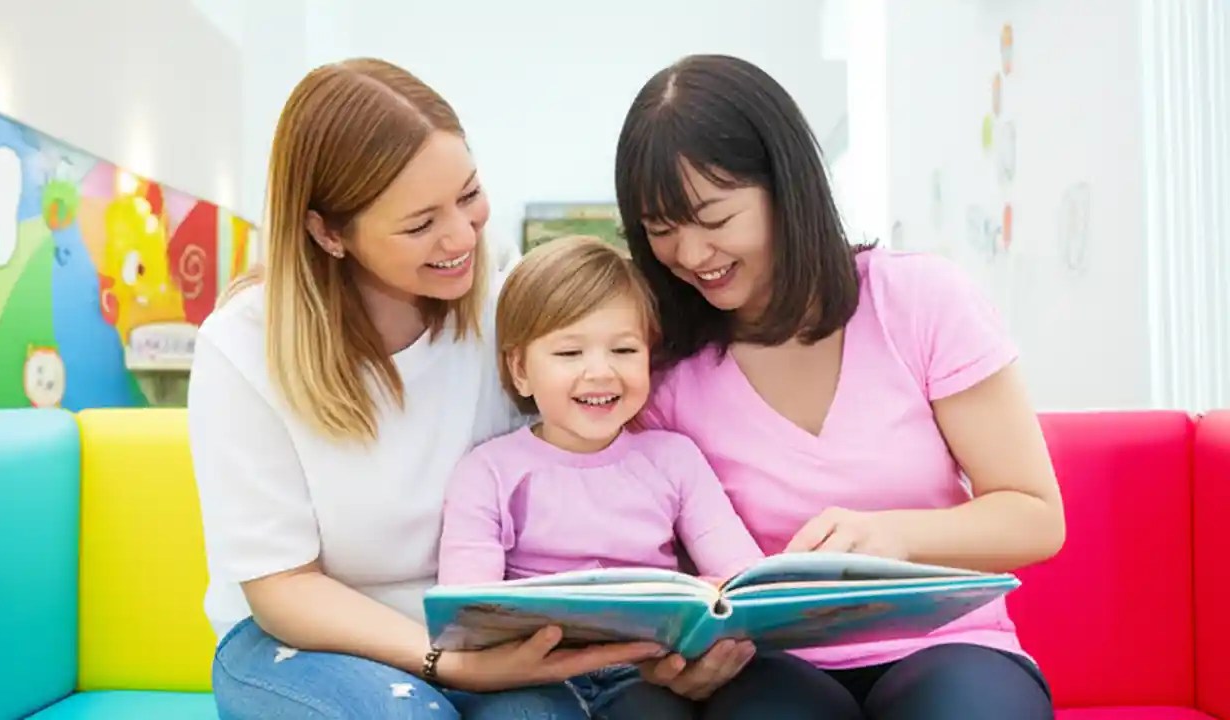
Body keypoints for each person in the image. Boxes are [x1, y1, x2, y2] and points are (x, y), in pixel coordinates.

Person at [185, 58, 664, 720]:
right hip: (296, 640)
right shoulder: (243, 349)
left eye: (469, 195)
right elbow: (283, 588)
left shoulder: (504, 311)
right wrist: (449, 662)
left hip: (479, 633)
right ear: (328, 232)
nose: (462, 236)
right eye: (419, 224)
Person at [611, 54, 1065, 719]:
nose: (690, 254)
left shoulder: (917, 299)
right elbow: (656, 562)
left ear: (783, 186)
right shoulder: (661, 366)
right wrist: (678, 648)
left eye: (713, 219)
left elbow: (1034, 515)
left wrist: (896, 537)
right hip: (766, 663)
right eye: (660, 231)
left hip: (948, 645)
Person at [436, 235, 765, 719]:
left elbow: (740, 578)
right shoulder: (488, 471)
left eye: (624, 350)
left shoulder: (673, 458)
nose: (600, 372)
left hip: (643, 671)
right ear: (520, 370)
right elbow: (466, 614)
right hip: (526, 675)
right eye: (569, 353)